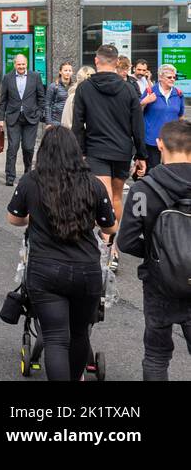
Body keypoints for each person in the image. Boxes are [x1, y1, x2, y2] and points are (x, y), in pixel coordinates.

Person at [7, 127, 117, 381]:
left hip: (45, 269)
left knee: (56, 338)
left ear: (43, 152)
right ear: (76, 152)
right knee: (79, 334)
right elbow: (109, 226)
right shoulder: (93, 183)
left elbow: (14, 218)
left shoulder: (31, 181)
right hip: (86, 269)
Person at [118, 118, 191, 380]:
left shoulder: (142, 189)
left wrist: (156, 254)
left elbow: (125, 241)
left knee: (157, 355)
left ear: (160, 144)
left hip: (160, 283)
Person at [73, 44, 145, 272]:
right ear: (117, 63)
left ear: (96, 61)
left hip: (96, 150)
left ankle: (105, 245)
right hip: (122, 151)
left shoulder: (85, 88)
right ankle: (110, 246)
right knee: (115, 197)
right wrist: (141, 155)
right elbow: (137, 125)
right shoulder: (129, 89)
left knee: (100, 198)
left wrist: (79, 151)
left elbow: (78, 124)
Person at [0, 53, 46, 187]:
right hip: (13, 118)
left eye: (23, 64)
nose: (21, 66)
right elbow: (3, 100)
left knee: (28, 147)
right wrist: (0, 119)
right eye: (18, 64)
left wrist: (40, 113)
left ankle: (27, 173)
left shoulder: (35, 77)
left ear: (27, 64)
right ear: (14, 65)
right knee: (13, 147)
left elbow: (41, 97)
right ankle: (10, 176)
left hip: (31, 118)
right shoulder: (8, 78)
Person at [139, 64, 184, 168]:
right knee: (152, 169)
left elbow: (180, 116)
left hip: (171, 139)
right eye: (169, 77)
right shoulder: (150, 92)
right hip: (152, 139)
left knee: (171, 168)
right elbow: (138, 112)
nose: (172, 79)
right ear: (160, 78)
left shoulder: (178, 94)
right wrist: (144, 102)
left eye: (174, 77)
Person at [45, 62, 73, 127]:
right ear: (60, 72)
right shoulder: (53, 86)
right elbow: (47, 105)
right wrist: (49, 123)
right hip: (56, 121)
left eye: (70, 70)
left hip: (69, 121)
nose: (68, 72)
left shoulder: (74, 87)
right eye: (65, 70)